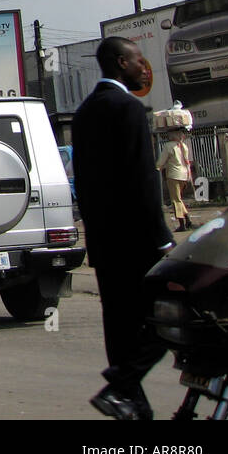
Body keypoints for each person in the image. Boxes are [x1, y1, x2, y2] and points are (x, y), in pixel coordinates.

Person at [72, 37, 175, 421]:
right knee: (167, 320)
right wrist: (163, 239)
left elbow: (85, 182)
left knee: (119, 325)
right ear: (121, 63)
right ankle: (121, 385)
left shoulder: (84, 112)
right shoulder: (127, 108)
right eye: (137, 61)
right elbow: (143, 182)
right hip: (137, 242)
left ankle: (132, 402)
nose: (143, 68)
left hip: (104, 241)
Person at [156, 101, 194, 231]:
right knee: (179, 198)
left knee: (175, 200)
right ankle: (187, 219)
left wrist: (156, 169)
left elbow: (161, 162)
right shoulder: (183, 145)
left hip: (173, 175)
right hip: (184, 175)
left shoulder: (168, 146)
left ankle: (182, 224)